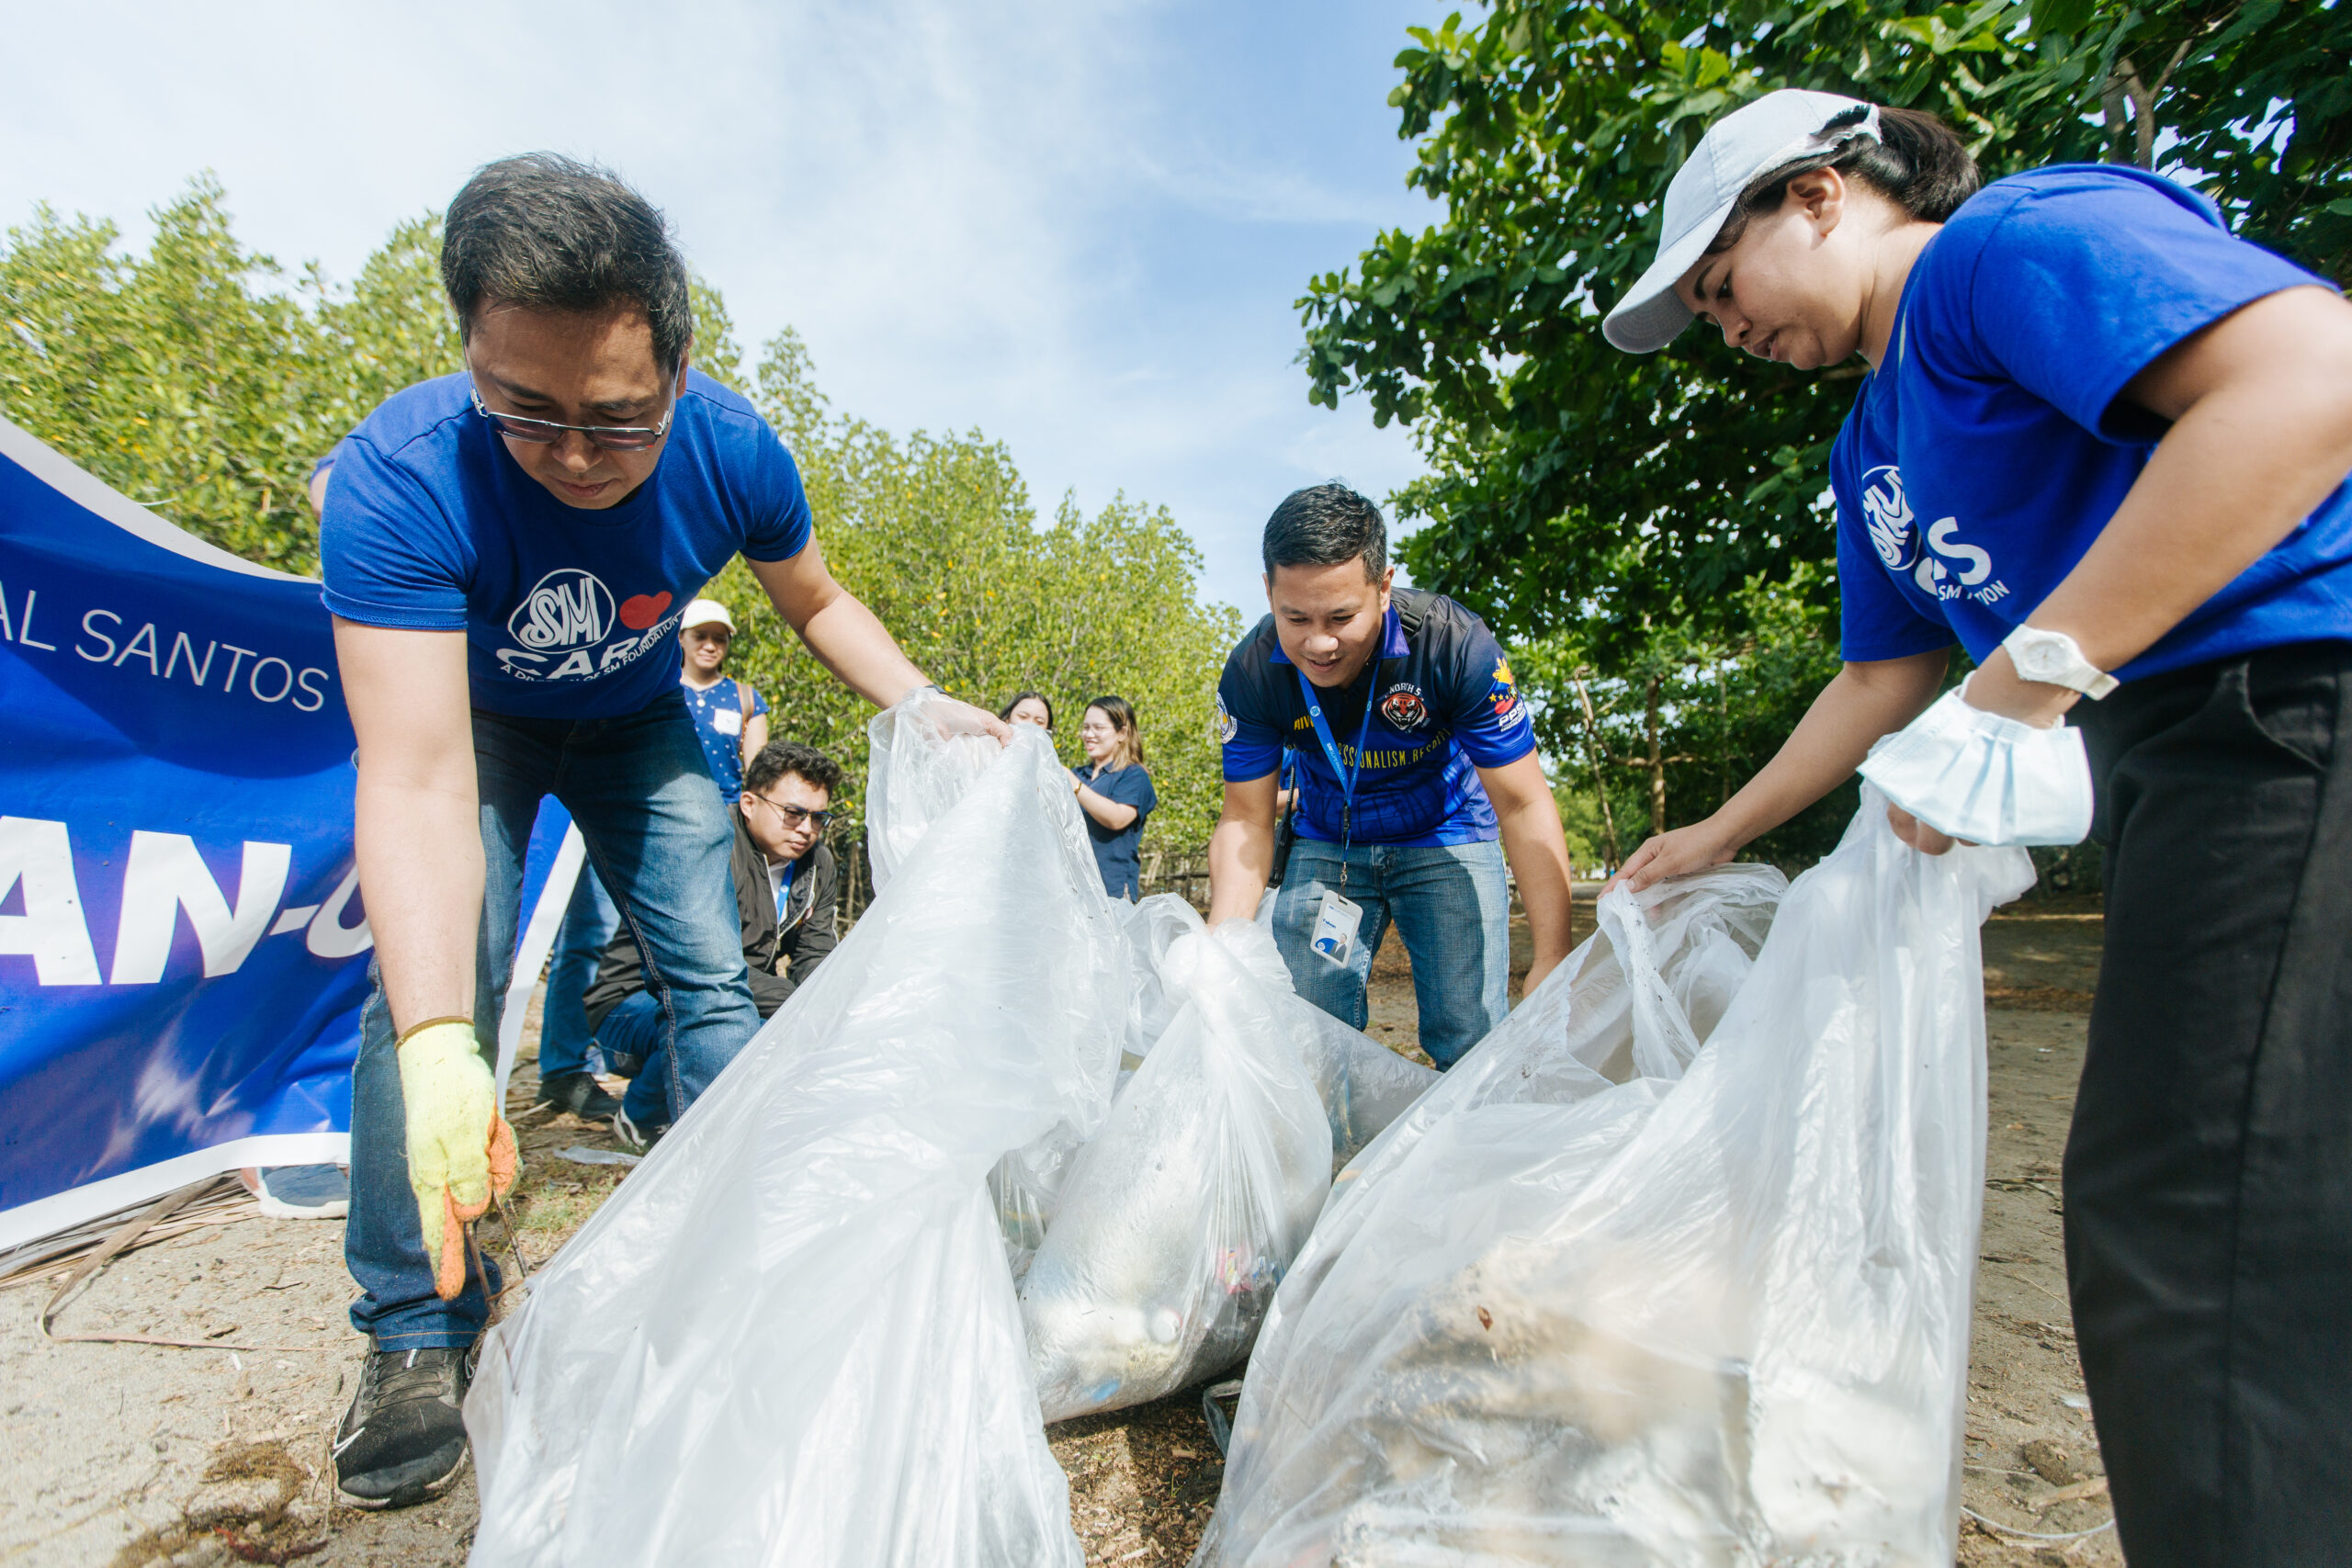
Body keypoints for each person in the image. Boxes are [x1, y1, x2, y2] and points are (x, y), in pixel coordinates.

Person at [1598, 89, 2352, 1565]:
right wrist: (1722, 832)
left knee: (2194, 1223)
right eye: (1700, 308)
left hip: (2295, 702)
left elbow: (2312, 378)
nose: (1723, 322)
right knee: (2265, 1185)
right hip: (2173, 762)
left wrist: (2033, 678)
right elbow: (1888, 675)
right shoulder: (1873, 446)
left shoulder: (2007, 248)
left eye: (1721, 280)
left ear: (1817, 193)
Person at [316, 153, 1006, 1510]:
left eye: (617, 420)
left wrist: (927, 706)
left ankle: (745, 1243)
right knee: (432, 997)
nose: (574, 453)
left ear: (678, 374)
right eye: (526, 408)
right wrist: (438, 1036)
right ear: (469, 352)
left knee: (717, 965)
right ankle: (412, 1329)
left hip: (641, 727)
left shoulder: (734, 448)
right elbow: (408, 778)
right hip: (487, 733)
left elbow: (813, 599)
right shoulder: (402, 480)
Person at [1204, 484, 1576, 1068]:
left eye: (1342, 617)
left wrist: (1553, 955)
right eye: (1294, 617)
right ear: (1268, 591)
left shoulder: (1454, 645)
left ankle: (1461, 1153)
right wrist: (1220, 949)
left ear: (1382, 586)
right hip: (1328, 842)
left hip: (1446, 835)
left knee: (1469, 1032)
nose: (1319, 643)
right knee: (1306, 1034)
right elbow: (1246, 818)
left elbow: (1524, 804)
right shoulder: (1252, 669)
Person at [585, 740, 842, 1147]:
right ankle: (639, 1117)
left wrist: (829, 1000)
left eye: (818, 818)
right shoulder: (707, 849)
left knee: (796, 1021)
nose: (807, 829)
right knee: (736, 1027)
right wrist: (800, 1003)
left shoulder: (819, 864)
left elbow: (815, 953)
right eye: (793, 814)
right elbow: (702, 970)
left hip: (732, 994)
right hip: (636, 997)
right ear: (748, 803)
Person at [676, 598, 769, 801]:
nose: (710, 646)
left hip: (726, 813)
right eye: (700, 636)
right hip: (667, 814)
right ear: (681, 637)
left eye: (719, 639)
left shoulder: (747, 698)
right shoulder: (661, 691)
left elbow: (759, 773)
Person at [1070, 696, 1156, 898]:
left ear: (1122, 733)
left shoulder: (1133, 775)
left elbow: (1117, 818)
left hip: (1111, 892)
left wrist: (1073, 785)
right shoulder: (1079, 774)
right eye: (1085, 727)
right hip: (1072, 890)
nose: (1089, 735)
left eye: (1098, 728)